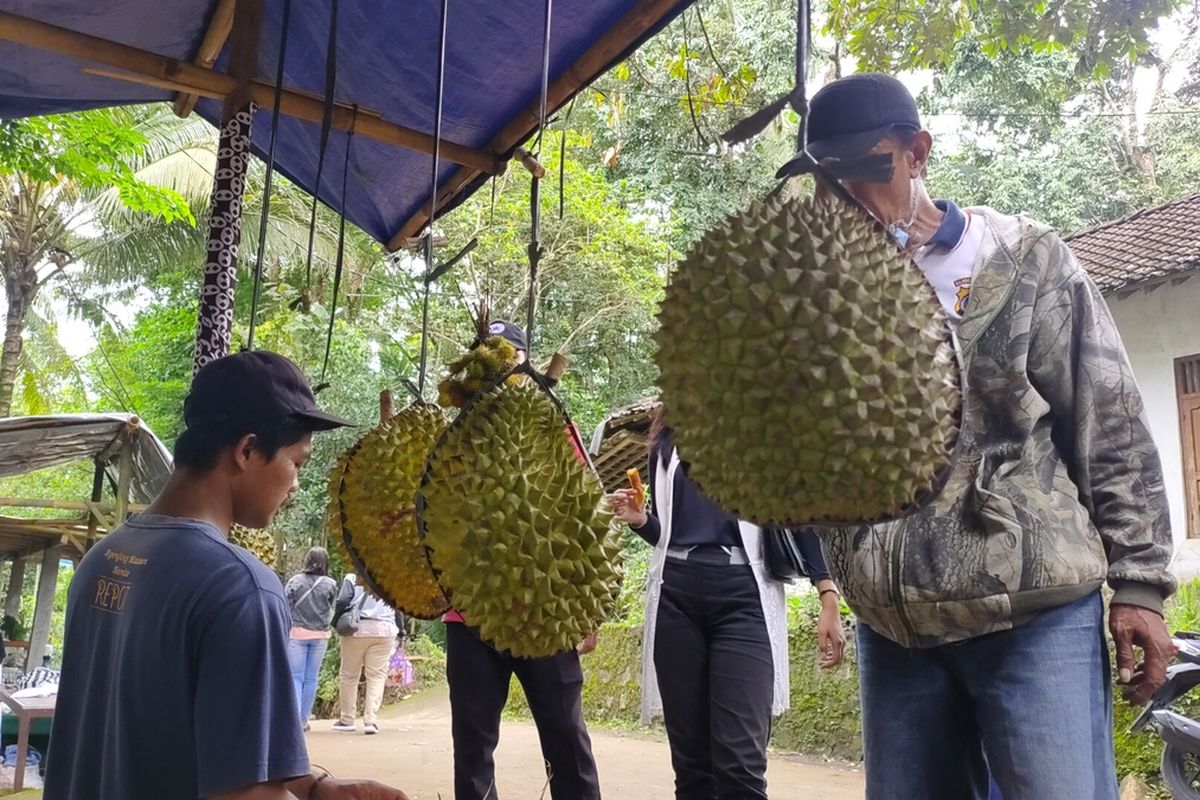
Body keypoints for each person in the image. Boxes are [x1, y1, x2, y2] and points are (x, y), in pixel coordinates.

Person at [781, 72, 1177, 800]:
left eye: (867, 172)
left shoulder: (1023, 259)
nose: (847, 201)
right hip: (895, 634)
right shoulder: (817, 301)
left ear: (917, 154)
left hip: (1030, 617)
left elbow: (1109, 417)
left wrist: (1142, 584)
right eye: (827, 183)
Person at [44, 350, 409, 800]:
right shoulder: (240, 587)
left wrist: (315, 789)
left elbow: (198, 733)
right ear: (247, 450)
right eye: (297, 463)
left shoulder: (102, 558)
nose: (295, 484)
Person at [610, 416, 845, 800]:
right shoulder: (665, 440)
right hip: (676, 596)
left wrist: (827, 595)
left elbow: (802, 522)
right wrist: (641, 521)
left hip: (744, 595)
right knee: (691, 766)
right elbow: (667, 535)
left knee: (740, 765)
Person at [443, 319, 602, 800]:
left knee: (565, 740)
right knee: (472, 748)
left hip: (546, 610)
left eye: (509, 358)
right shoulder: (451, 437)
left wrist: (587, 609)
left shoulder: (554, 425)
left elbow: (587, 513)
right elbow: (430, 519)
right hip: (468, 611)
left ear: (525, 365)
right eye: (489, 357)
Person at [332, 575, 399, 735]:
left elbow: (342, 601)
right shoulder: (388, 576)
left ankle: (347, 719)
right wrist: (401, 630)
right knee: (376, 676)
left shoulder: (353, 576)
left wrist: (336, 621)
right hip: (385, 629)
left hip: (357, 628)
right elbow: (397, 605)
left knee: (349, 675)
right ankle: (371, 720)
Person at [286, 547, 338, 731]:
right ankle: (302, 720)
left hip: (296, 634)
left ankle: (292, 720)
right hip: (320, 636)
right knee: (311, 678)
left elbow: (286, 606)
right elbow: (331, 606)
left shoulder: (295, 581)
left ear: (307, 560)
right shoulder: (331, 584)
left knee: (296, 677)